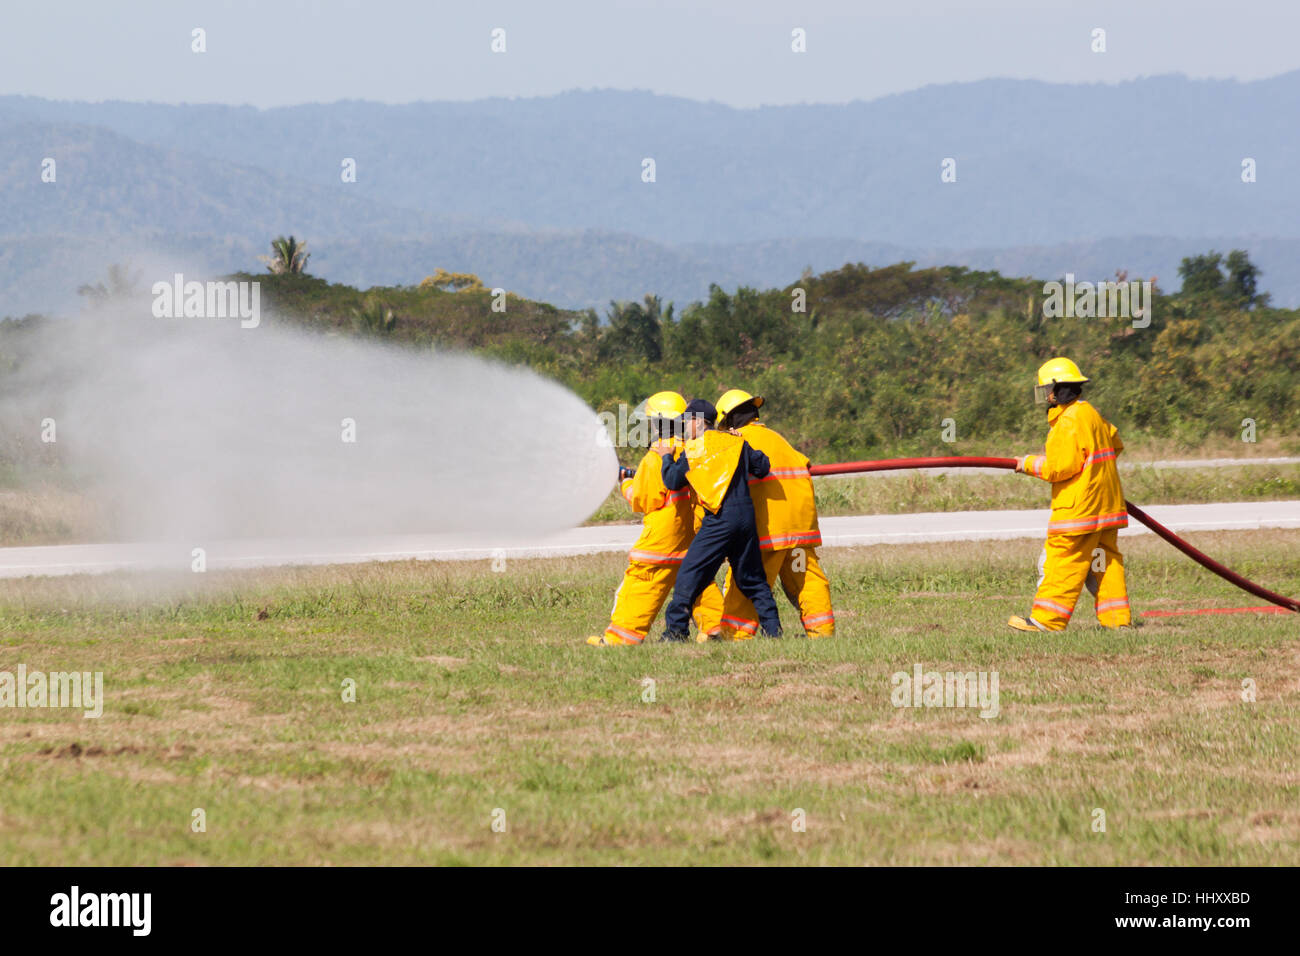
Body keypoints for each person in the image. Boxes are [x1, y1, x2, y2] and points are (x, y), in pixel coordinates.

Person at [694, 390, 834, 639]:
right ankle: (822, 632)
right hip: (801, 530)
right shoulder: (778, 439)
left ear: (727, 420)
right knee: (805, 579)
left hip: (770, 530)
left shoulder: (736, 442)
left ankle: (734, 635)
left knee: (747, 581)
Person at [1008, 358, 1132, 632]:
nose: (1046, 397)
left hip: (1080, 511)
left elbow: (1059, 468)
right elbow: (1115, 444)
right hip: (1108, 507)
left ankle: (1047, 621)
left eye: (1047, 390)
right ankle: (1117, 622)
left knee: (1064, 561)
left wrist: (1025, 463)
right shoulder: (1091, 414)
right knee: (1104, 562)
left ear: (1058, 389)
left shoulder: (1067, 422)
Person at [659, 398, 783, 641]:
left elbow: (673, 481)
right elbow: (763, 466)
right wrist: (741, 441)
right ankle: (773, 631)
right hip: (745, 519)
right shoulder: (733, 441)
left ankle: (676, 632)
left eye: (686, 421)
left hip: (719, 519)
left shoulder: (695, 447)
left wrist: (666, 457)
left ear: (697, 422)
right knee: (752, 578)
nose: (685, 427)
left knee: (688, 574)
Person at [586, 391, 697, 646]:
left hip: (661, 540)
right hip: (689, 536)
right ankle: (716, 630)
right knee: (699, 583)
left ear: (658, 423)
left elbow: (644, 499)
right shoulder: (692, 449)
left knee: (641, 582)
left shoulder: (653, 457)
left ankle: (619, 639)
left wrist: (625, 482)